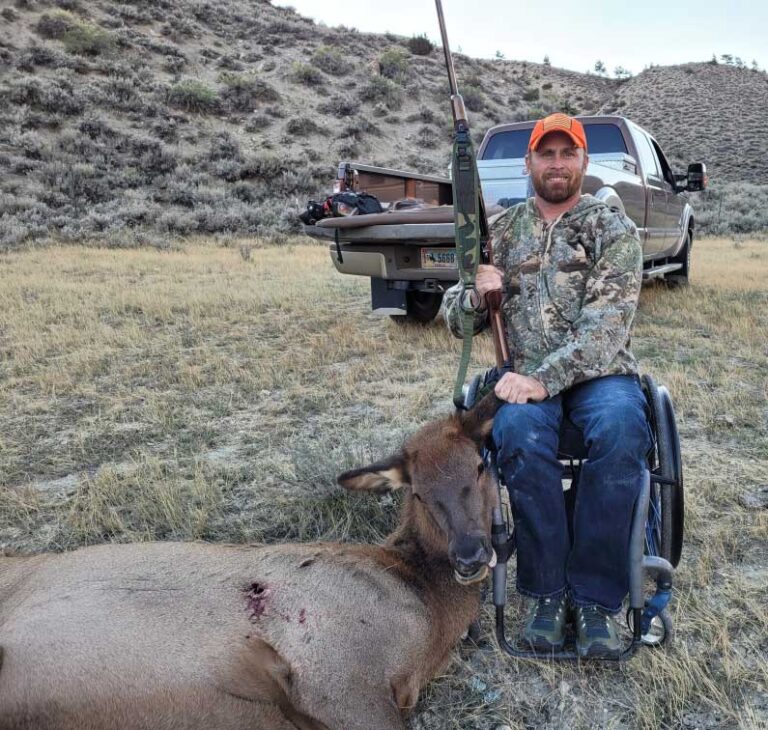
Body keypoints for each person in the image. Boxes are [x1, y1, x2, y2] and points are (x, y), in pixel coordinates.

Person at [444, 113, 650, 658]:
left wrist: (543, 379)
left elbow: (606, 328)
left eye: (568, 153)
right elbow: (455, 317)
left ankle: (595, 599)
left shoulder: (611, 229)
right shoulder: (500, 232)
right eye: (546, 153)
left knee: (622, 430)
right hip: (521, 380)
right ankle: (546, 594)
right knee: (518, 435)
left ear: (584, 161)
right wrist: (474, 295)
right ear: (528, 163)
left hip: (600, 376)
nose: (557, 164)